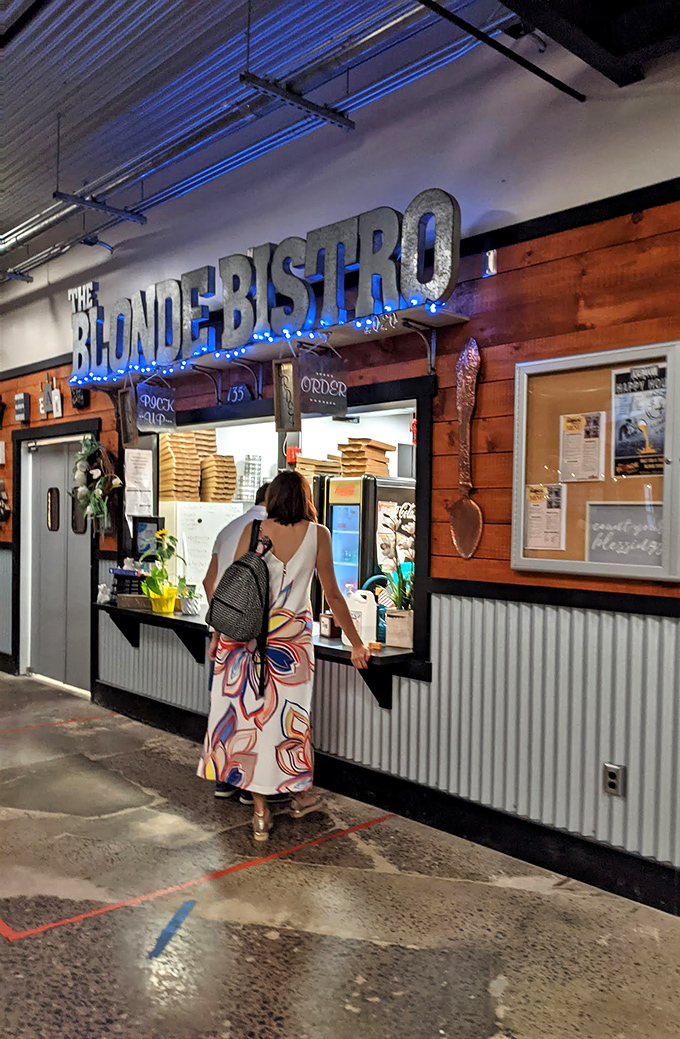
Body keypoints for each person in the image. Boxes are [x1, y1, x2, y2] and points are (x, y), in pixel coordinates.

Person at [197, 470, 370, 841]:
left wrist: (218, 634)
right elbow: (334, 596)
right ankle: (296, 794)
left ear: (272, 498)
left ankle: (260, 814)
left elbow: (234, 589)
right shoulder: (318, 535)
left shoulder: (256, 532)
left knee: (251, 725)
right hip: (293, 647)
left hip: (248, 644)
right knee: (289, 724)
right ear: (306, 497)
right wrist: (356, 642)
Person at [203, 482, 270, 802]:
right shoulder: (269, 535)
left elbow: (208, 582)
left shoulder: (228, 529)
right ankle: (247, 787)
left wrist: (221, 625)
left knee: (225, 709)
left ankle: (223, 781)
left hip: (224, 636)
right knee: (252, 711)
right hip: (255, 638)